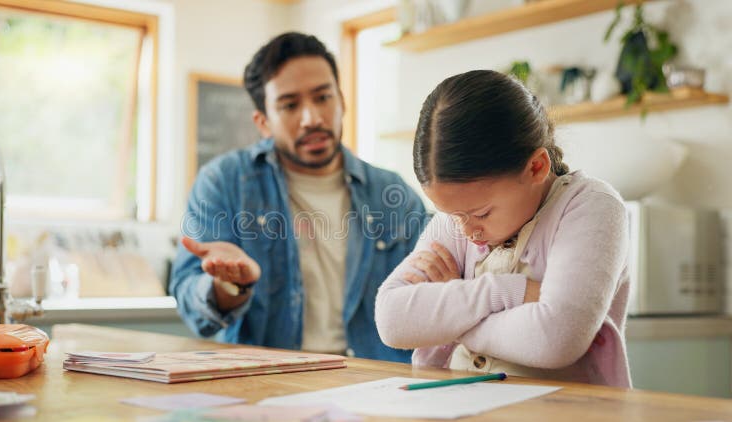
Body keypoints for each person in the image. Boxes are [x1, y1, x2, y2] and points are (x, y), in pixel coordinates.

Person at [170, 32, 426, 362]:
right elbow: (191, 303)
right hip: (268, 382)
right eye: (290, 105)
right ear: (263, 122)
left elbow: (430, 300)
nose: (312, 118)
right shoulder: (223, 182)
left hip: (375, 381)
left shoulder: (394, 195)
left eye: (323, 97)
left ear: (342, 101)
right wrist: (229, 286)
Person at [374, 70, 631, 387]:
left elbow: (555, 340)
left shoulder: (591, 207)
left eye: (481, 214)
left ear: (536, 167)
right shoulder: (460, 215)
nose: (468, 231)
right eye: (453, 216)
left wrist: (447, 315)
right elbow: (391, 320)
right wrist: (513, 292)